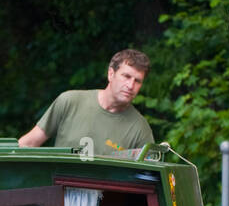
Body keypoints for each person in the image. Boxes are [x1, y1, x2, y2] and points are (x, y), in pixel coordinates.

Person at [17, 49, 155, 154]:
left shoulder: (140, 128)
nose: (130, 85)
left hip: (106, 192)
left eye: (137, 81)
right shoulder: (70, 102)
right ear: (111, 74)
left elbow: (147, 178)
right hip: (59, 189)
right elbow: (28, 143)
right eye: (126, 76)